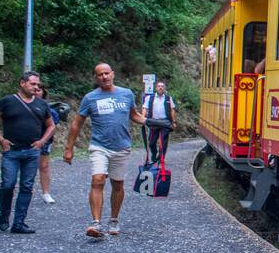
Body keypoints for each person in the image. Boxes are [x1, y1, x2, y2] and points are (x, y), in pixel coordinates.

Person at [63, 62, 146, 238]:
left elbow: (134, 115)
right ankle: (96, 224)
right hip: (99, 146)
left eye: (107, 73)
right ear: (96, 78)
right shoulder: (90, 98)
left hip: (121, 147)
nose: (104, 77)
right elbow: (77, 123)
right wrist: (68, 148)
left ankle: (114, 219)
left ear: (113, 74)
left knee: (117, 184)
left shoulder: (126, 94)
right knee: (98, 180)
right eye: (100, 74)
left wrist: (152, 122)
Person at [0, 71, 54, 234]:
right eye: (33, 84)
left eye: (38, 84)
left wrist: (42, 141)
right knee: (7, 184)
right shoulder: (7, 101)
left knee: (26, 187)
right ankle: (4, 215)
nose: (36, 87)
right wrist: (1, 140)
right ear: (22, 83)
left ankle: (19, 223)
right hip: (12, 151)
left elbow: (51, 125)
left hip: (31, 152)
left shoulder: (41, 104)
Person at [36, 84, 69, 204]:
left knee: (44, 166)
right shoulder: (23, 104)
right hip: (26, 140)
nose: (36, 92)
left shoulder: (47, 108)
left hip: (44, 140)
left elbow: (52, 124)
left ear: (43, 92)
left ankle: (46, 193)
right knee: (24, 167)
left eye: (39, 90)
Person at [141, 79, 177, 164]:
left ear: (164, 89)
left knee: (163, 141)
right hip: (153, 122)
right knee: (152, 142)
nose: (160, 88)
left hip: (165, 122)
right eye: (159, 86)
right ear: (156, 88)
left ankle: (161, 159)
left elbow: (172, 110)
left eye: (162, 86)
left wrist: (174, 122)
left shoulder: (168, 98)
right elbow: (145, 108)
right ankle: (154, 154)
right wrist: (142, 118)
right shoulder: (150, 98)